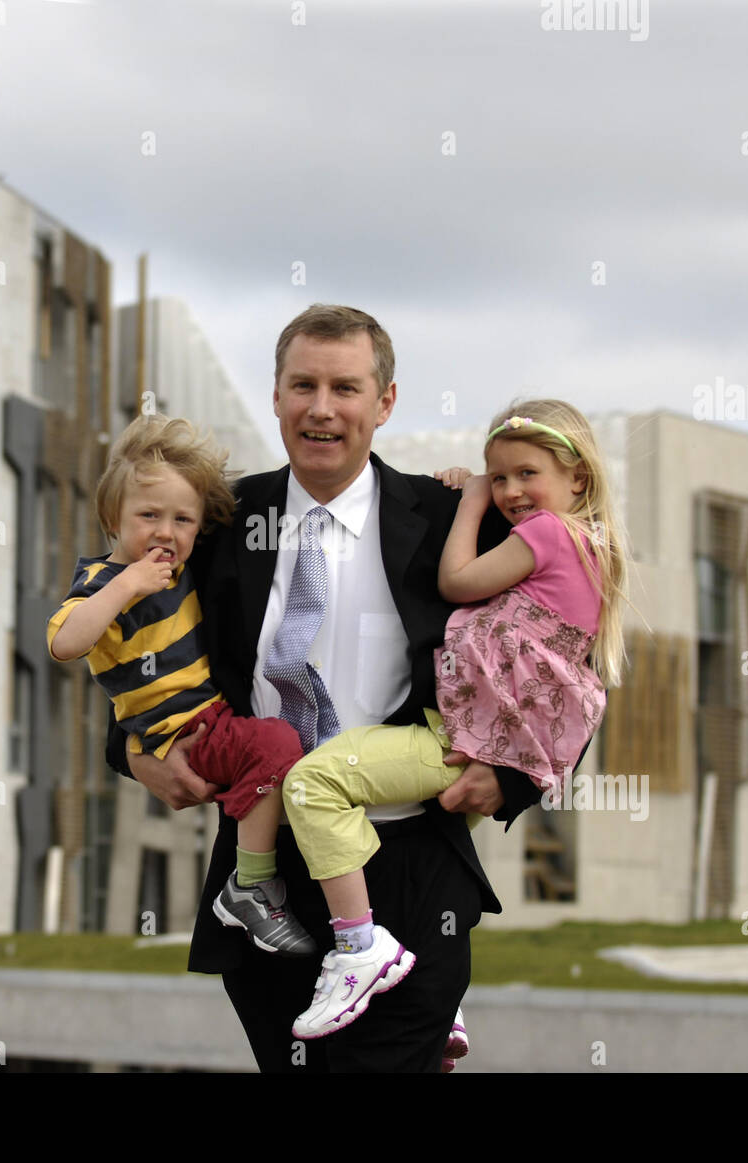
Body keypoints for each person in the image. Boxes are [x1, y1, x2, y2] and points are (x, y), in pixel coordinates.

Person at [107, 305, 554, 1073]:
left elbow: (564, 656)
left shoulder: (454, 520)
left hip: (410, 869)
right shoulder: (217, 522)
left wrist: (510, 775)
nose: (322, 407)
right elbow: (133, 651)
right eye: (302, 384)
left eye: (345, 387)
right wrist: (133, 753)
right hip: (265, 876)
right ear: (276, 395)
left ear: (383, 403)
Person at [282, 399, 627, 1040]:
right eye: (498, 477)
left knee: (313, 784)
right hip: (499, 744)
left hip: (456, 740)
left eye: (527, 474)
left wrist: (468, 499)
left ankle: (360, 950)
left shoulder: (549, 534)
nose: (510, 491)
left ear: (578, 476)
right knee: (407, 851)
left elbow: (458, 581)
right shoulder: (594, 546)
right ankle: (438, 995)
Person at [46, 415, 318, 957]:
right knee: (277, 746)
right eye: (148, 516)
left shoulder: (186, 569)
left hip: (209, 716)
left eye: (182, 520)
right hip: (180, 731)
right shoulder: (106, 584)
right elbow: (64, 643)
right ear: (113, 518)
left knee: (285, 756)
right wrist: (127, 584)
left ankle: (262, 876)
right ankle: (250, 883)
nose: (166, 532)